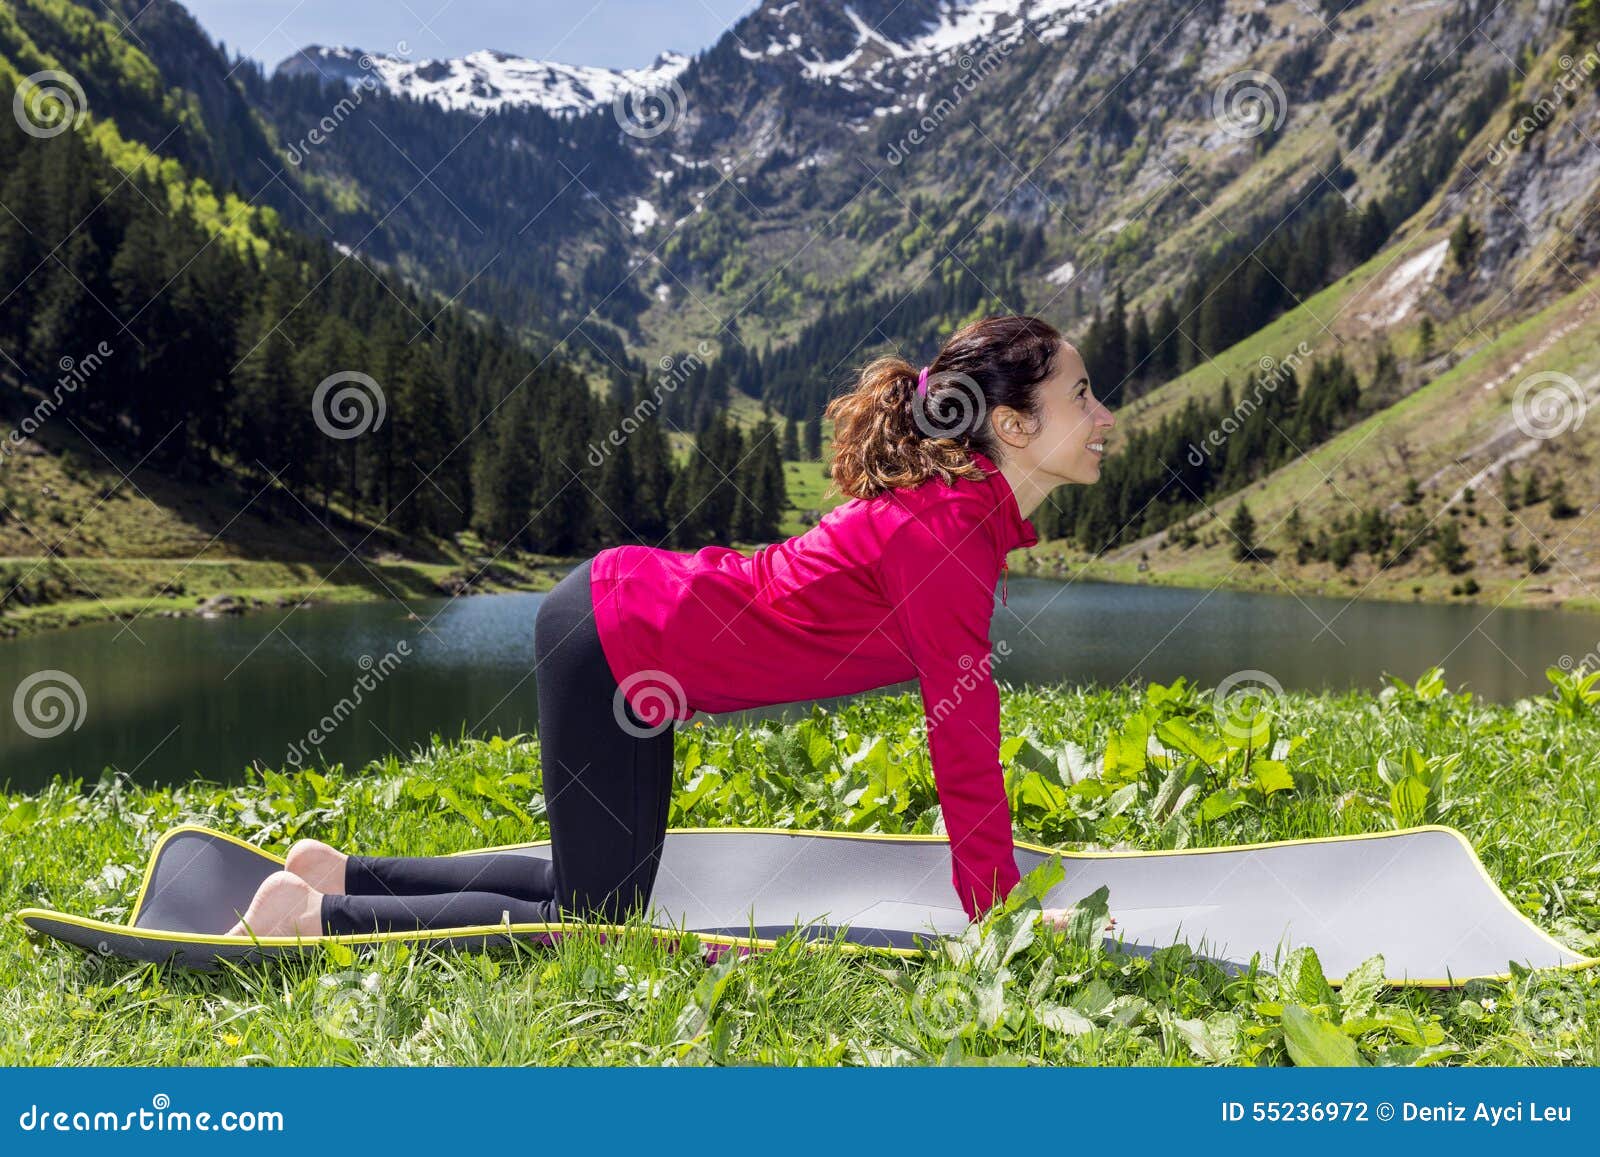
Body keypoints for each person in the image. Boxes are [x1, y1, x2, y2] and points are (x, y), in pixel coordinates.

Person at [226, 314, 1117, 940]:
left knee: (598, 891)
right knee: (596, 923)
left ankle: (334, 874)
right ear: (1011, 422)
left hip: (626, 634)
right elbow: (962, 731)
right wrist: (1000, 916)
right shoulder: (947, 528)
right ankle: (309, 920)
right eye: (1083, 396)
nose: (1104, 415)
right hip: (614, 640)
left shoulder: (957, 515)